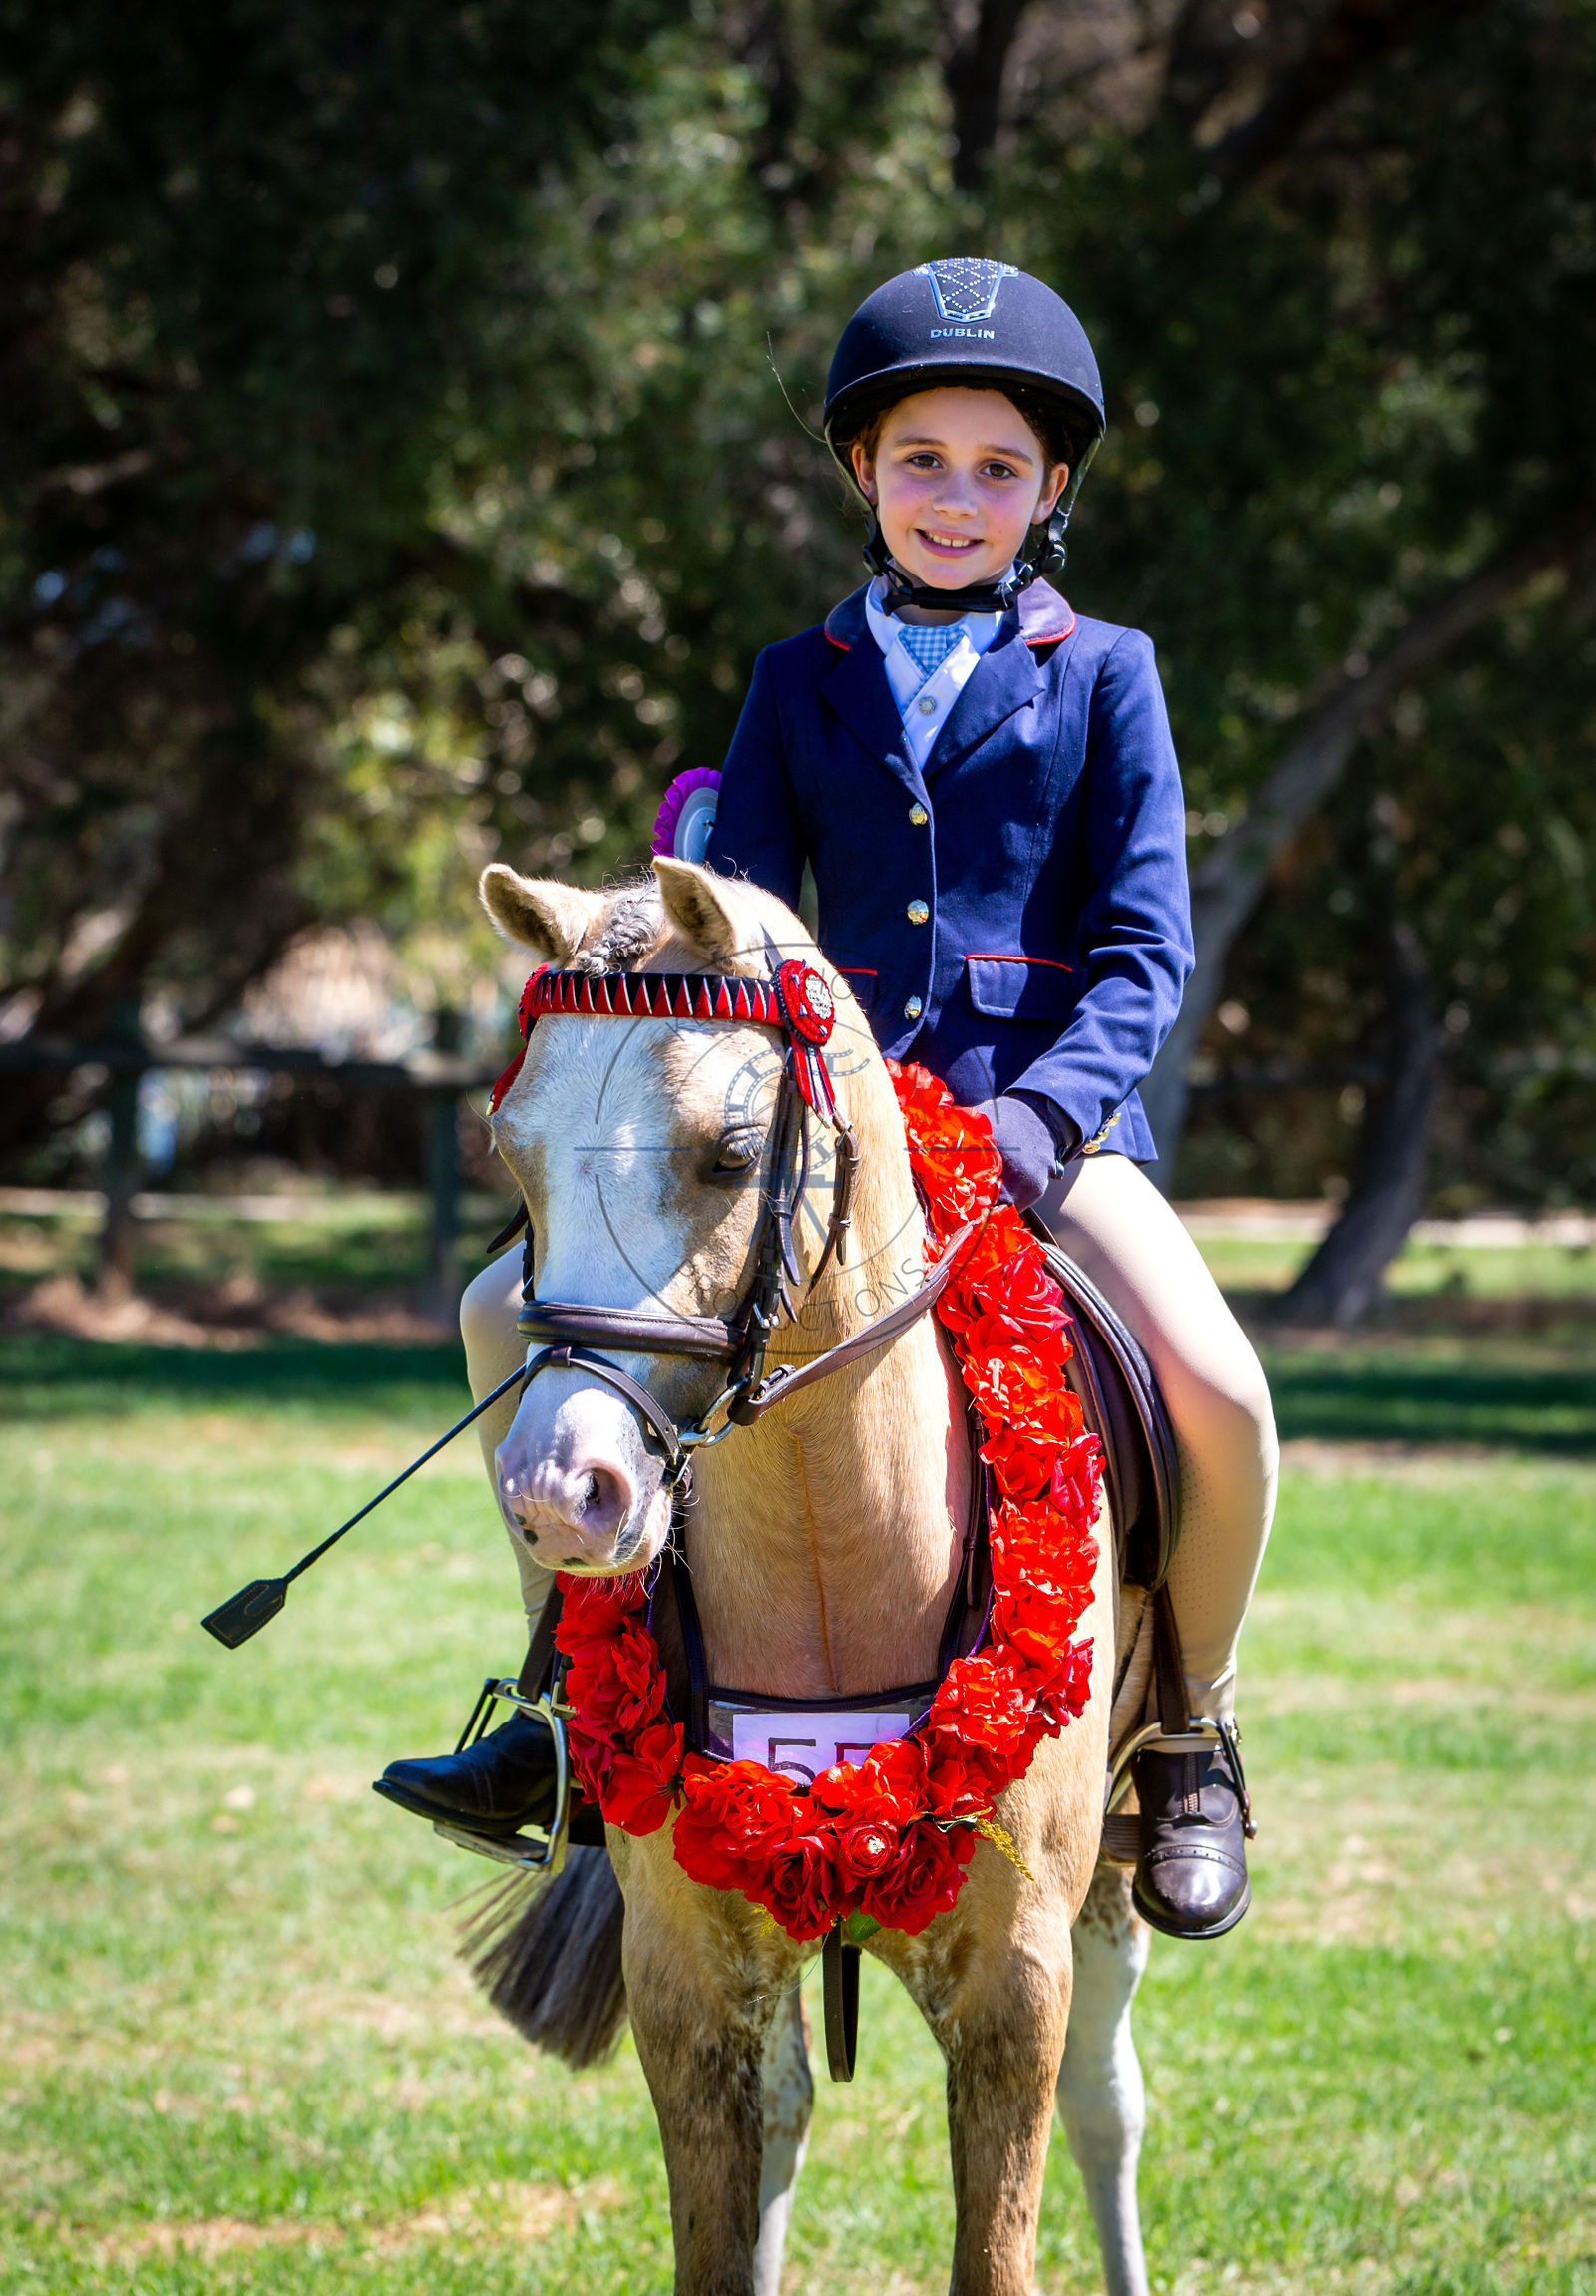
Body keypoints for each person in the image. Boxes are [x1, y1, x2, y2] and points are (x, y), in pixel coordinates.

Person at [375, 258, 1277, 1942]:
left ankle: (1195, 1732)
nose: (958, 496)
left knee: (1221, 1396)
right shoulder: (798, 680)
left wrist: (1040, 1118)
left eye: (999, 467)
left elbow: (1146, 951)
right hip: (805, 1157)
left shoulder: (1109, 676)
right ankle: (564, 1706)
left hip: (1038, 1136)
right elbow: (730, 939)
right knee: (509, 1315)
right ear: (865, 472)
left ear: (1052, 490)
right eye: (922, 459)